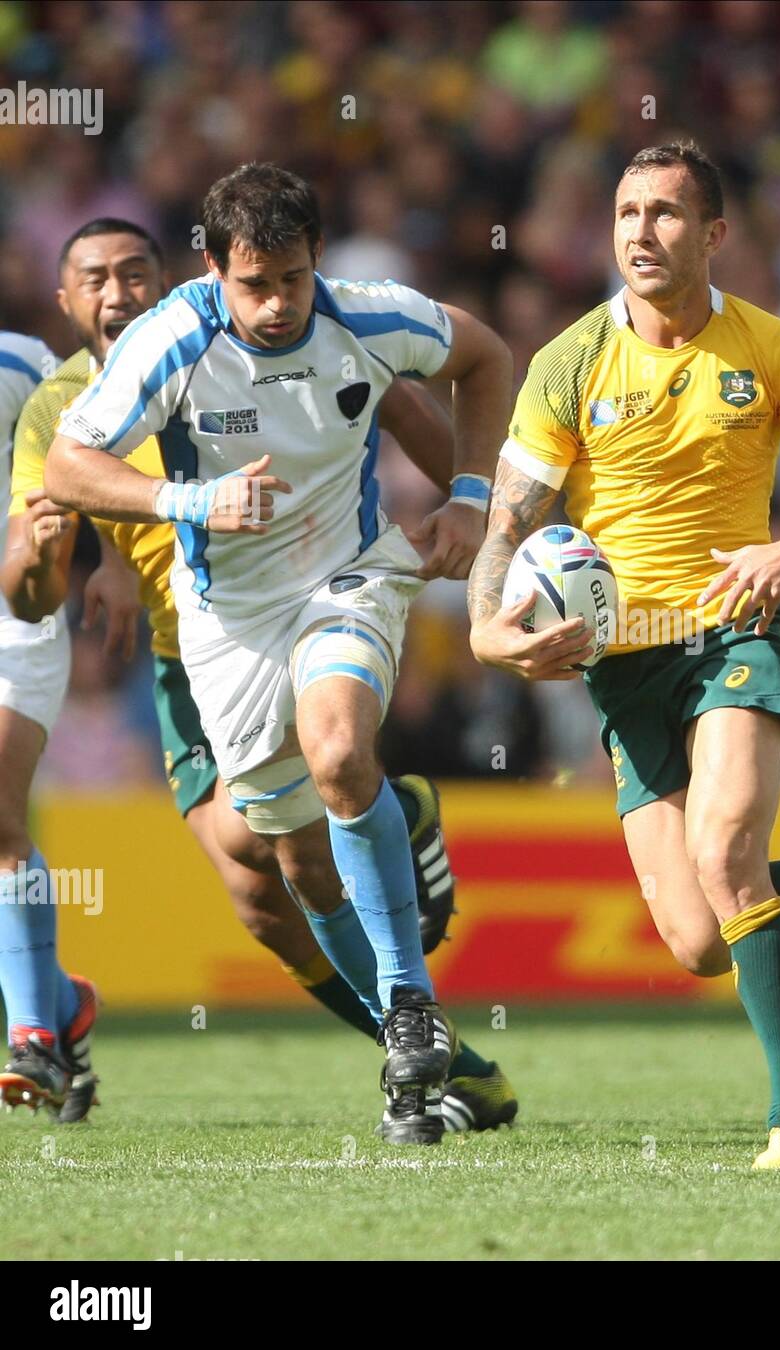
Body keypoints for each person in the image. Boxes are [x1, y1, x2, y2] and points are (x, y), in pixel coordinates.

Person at [467, 141, 780, 1169]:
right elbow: (506, 531)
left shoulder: (770, 348)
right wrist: (485, 629)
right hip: (622, 668)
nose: (641, 232)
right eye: (626, 212)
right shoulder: (566, 364)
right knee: (696, 941)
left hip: (733, 633)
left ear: (714, 235)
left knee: (730, 856)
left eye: (667, 214)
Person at [3, 216, 516, 1132]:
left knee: (325, 779)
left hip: (322, 597)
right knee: (259, 892)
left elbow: (395, 398)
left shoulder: (293, 334)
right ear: (67, 299)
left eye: (133, 273)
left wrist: (480, 514)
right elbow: (33, 588)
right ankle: (455, 1061)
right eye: (95, 278)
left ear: (170, 279)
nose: (117, 292)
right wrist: (75, 559)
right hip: (191, 654)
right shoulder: (65, 408)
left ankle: (415, 1024)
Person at [0, 326, 101, 1120]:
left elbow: (103, 459)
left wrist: (118, 569)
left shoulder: (26, 366)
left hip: (17, 607)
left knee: (0, 821)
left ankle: (33, 1033)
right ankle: (61, 1000)